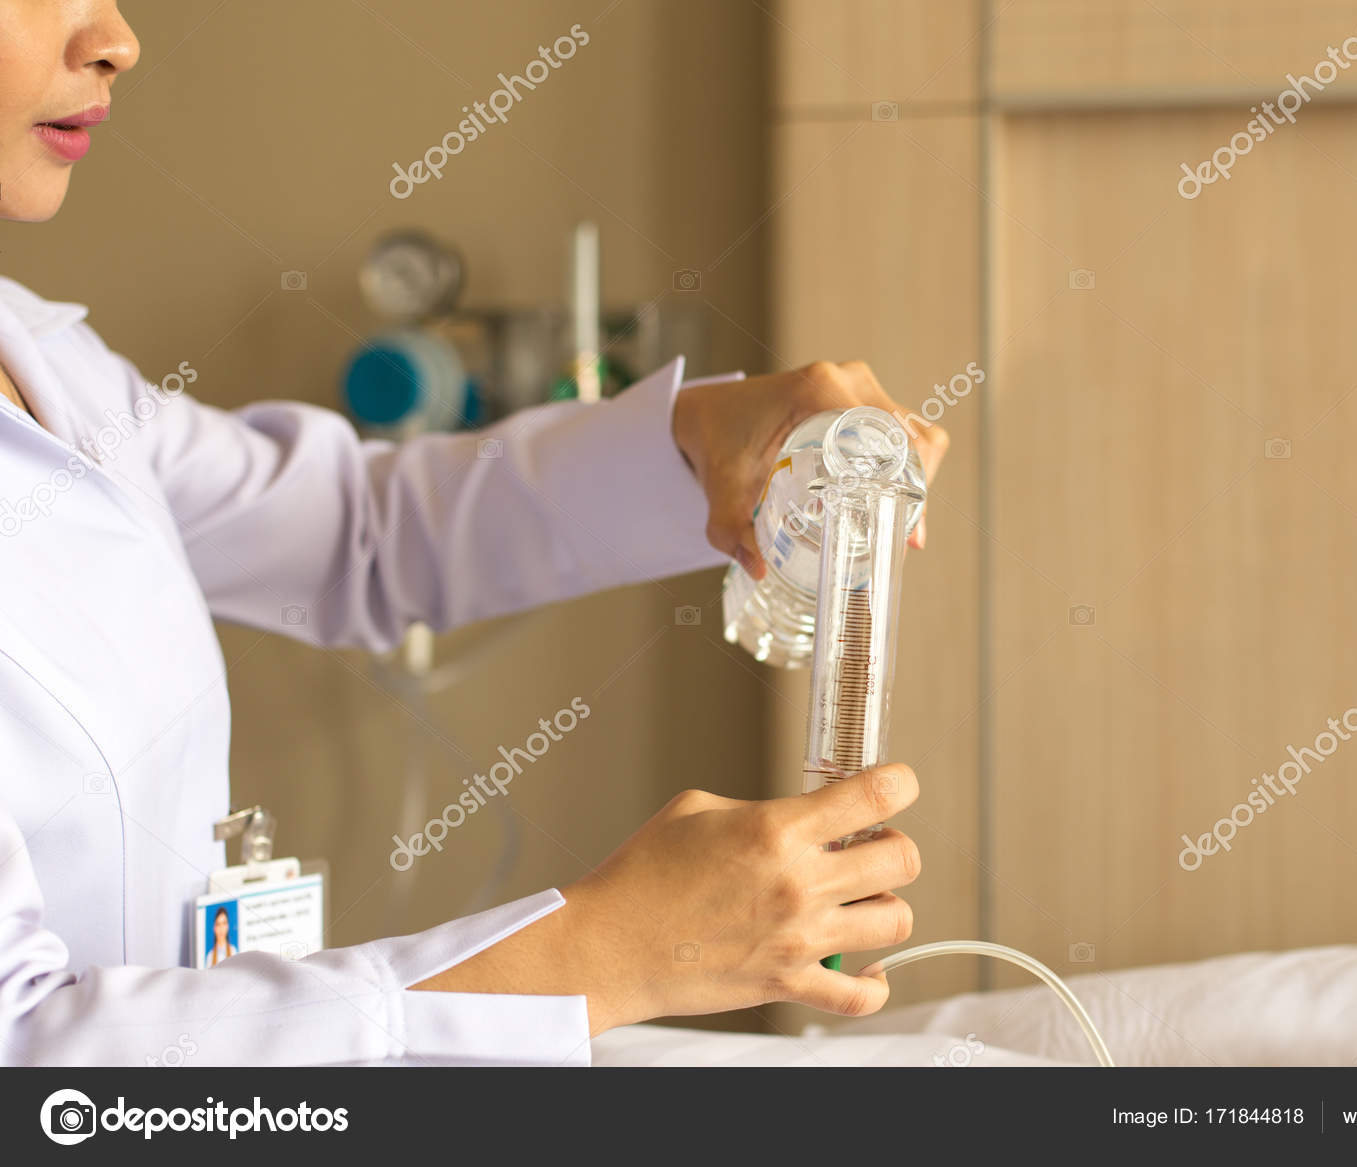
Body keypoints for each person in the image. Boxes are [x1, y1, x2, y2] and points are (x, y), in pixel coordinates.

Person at [0, 2, 949, 1065]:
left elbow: (352, 532)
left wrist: (694, 441)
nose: (116, 38)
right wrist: (599, 953)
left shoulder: (38, 355)